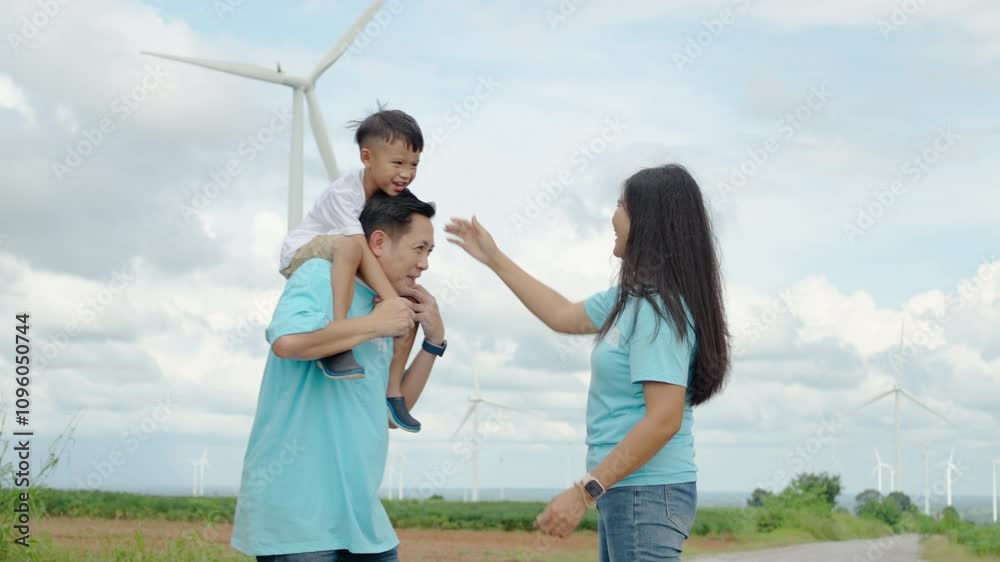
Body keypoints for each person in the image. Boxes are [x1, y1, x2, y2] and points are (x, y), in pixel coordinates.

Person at [445, 163, 731, 561]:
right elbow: (561, 314)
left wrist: (584, 492)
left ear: (648, 222)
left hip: (646, 492)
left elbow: (664, 420)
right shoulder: (630, 298)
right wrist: (494, 258)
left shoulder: (657, 310)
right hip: (627, 491)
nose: (612, 216)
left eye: (620, 205)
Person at [233, 189, 446, 561]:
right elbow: (286, 342)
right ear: (378, 242)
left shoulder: (391, 311)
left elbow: (391, 414)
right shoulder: (321, 274)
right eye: (419, 248)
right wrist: (374, 324)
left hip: (362, 520)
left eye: (430, 253)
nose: (425, 264)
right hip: (299, 520)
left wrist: (433, 341)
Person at [278, 106, 426, 432]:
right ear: (367, 157)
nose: (406, 173)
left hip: (350, 259)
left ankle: (392, 390)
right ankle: (339, 336)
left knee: (410, 299)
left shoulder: (393, 195)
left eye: (414, 164)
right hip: (305, 252)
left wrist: (399, 299)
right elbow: (358, 247)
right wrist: (388, 298)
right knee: (350, 245)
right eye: (397, 163)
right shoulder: (345, 194)